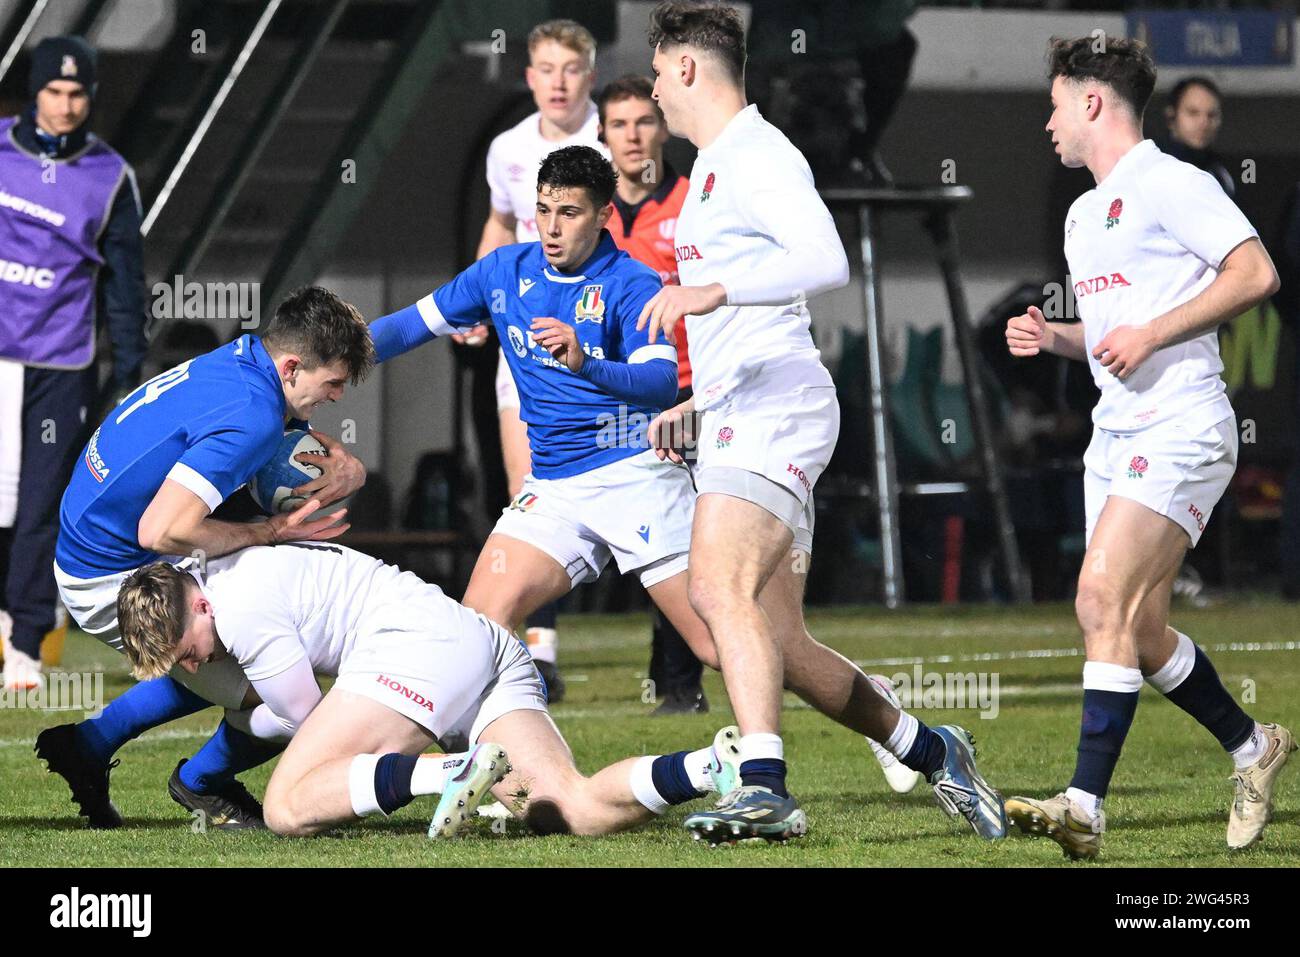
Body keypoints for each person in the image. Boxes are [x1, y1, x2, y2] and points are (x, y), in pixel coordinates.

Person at [372, 143, 1002, 844]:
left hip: (636, 479)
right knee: (477, 626)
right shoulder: (504, 270)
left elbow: (654, 382)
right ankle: (517, 781)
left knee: (729, 643)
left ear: (603, 216)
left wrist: (586, 360)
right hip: (552, 490)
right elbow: (410, 324)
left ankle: (925, 744)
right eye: (543, 210)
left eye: (568, 213)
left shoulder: (630, 282)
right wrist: (337, 354)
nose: (550, 227)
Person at [636, 1, 1006, 844]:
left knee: (712, 589)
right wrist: (703, 397)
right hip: (748, 401)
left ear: (689, 68)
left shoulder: (758, 153)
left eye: (658, 70)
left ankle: (764, 786)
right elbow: (761, 304)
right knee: (780, 643)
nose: (655, 87)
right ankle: (934, 749)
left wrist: (712, 291)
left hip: (778, 407)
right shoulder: (715, 169)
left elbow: (827, 258)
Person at [1003, 36, 1290, 860]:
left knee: (1099, 597)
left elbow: (1255, 273)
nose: (1049, 121)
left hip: (1184, 425)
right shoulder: (1084, 210)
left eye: (1055, 102)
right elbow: (1112, 335)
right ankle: (1253, 745)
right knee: (1143, 629)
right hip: (1116, 433)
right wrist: (1055, 337)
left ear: (1091, 101)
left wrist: (1155, 329)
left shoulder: (1172, 181)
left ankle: (1085, 807)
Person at [114, 546, 742, 839]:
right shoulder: (217, 576)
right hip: (478, 647)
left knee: (287, 805)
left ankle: (452, 770)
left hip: (415, 649)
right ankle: (710, 766)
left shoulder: (240, 608)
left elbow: (307, 723)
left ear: (199, 601)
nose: (199, 663)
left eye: (190, 648)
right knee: (563, 809)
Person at [36, 287, 371, 830]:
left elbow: (247, 427)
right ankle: (202, 782)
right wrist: (265, 530)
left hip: (101, 545)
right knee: (287, 695)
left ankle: (88, 744)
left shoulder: (242, 361)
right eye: (331, 383)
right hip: (114, 579)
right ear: (290, 366)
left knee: (249, 640)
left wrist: (343, 463)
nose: (335, 396)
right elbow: (164, 529)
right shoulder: (254, 413)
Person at [461, 19, 608, 700]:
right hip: (524, 346)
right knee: (531, 489)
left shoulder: (615, 138)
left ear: (590, 75)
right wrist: (475, 299)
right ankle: (538, 654)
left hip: (600, 348)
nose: (557, 82)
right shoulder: (508, 149)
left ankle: (689, 654)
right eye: (545, 69)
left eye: (570, 70)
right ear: (529, 76)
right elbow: (499, 224)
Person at [0, 36, 146, 691]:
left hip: (61, 364)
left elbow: (124, 282)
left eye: (77, 93)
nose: (65, 105)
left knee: (38, 506)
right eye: (54, 91)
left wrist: (128, 370)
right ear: (33, 90)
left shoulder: (111, 175)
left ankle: (26, 641)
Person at [597, 74, 707, 715]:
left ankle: (678, 685)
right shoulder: (593, 215)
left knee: (685, 540)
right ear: (603, 135)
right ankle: (533, 664)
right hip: (609, 398)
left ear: (662, 127)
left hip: (682, 395)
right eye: (620, 125)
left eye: (644, 121)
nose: (634, 136)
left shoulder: (696, 202)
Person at [1158, 75, 1234, 200]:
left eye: (1211, 115)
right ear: (1171, 116)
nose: (1203, 123)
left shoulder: (1221, 173)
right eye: (1193, 113)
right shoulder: (1153, 168)